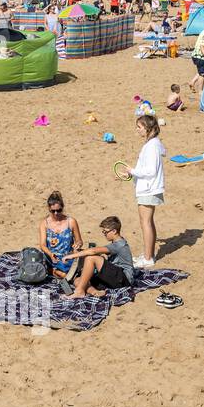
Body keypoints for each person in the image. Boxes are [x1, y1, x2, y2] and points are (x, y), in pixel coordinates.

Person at [116, 115, 165, 269]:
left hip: (149, 189)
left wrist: (133, 170)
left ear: (147, 128)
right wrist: (132, 173)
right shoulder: (153, 144)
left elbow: (150, 171)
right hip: (148, 188)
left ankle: (148, 258)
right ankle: (147, 254)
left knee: (145, 223)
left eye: (139, 127)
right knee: (148, 222)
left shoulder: (152, 146)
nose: (137, 130)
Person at [60, 215, 136, 299]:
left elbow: (94, 251)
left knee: (91, 258)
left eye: (105, 232)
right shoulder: (115, 243)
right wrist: (79, 252)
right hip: (115, 278)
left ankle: (79, 291)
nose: (104, 234)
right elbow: (95, 252)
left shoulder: (119, 244)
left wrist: (72, 256)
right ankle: (94, 292)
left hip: (124, 279)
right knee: (78, 280)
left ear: (114, 231)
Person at [37, 190, 83, 280]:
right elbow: (42, 245)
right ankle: (66, 276)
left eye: (59, 210)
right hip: (52, 258)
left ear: (63, 207)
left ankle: (60, 274)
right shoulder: (44, 223)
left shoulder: (71, 222)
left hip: (68, 257)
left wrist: (78, 244)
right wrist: (50, 254)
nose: (56, 213)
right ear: (49, 209)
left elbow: (79, 240)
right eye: (53, 211)